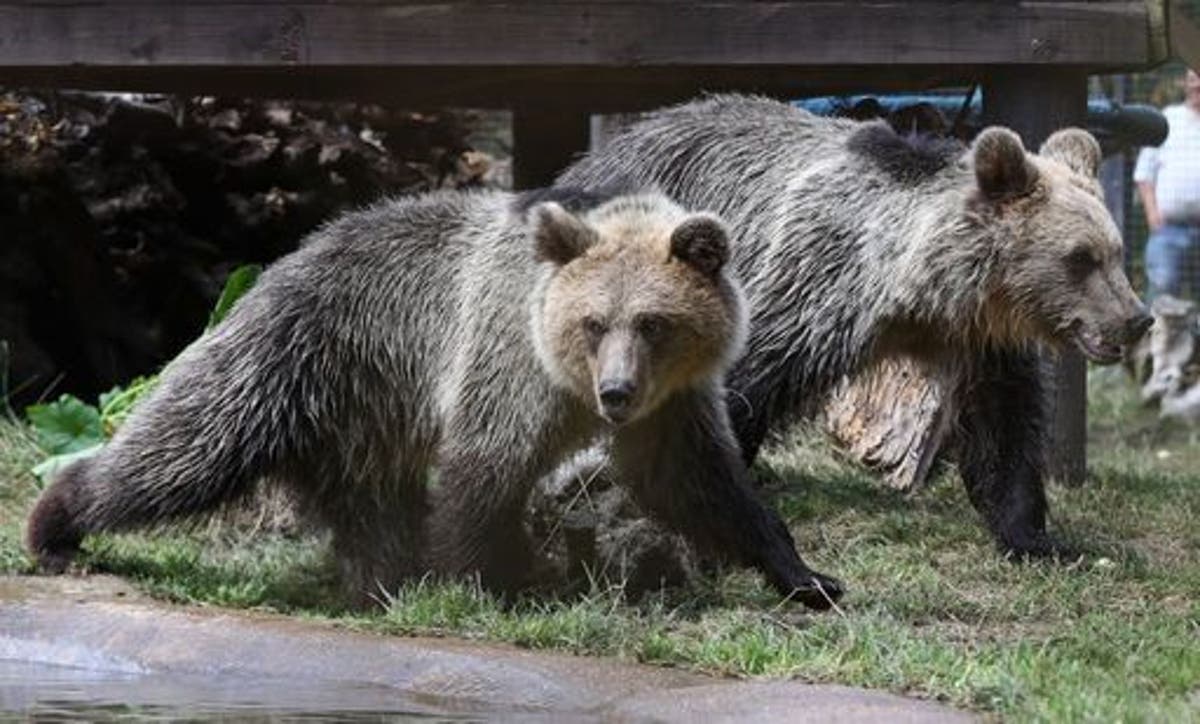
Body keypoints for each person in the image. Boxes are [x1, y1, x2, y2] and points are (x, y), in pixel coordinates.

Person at [1135, 69, 1200, 299]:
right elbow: (1144, 173)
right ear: (1185, 83)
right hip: (1168, 230)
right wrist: (1152, 215)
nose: (1197, 85)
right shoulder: (1168, 118)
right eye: (1193, 79)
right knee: (1163, 300)